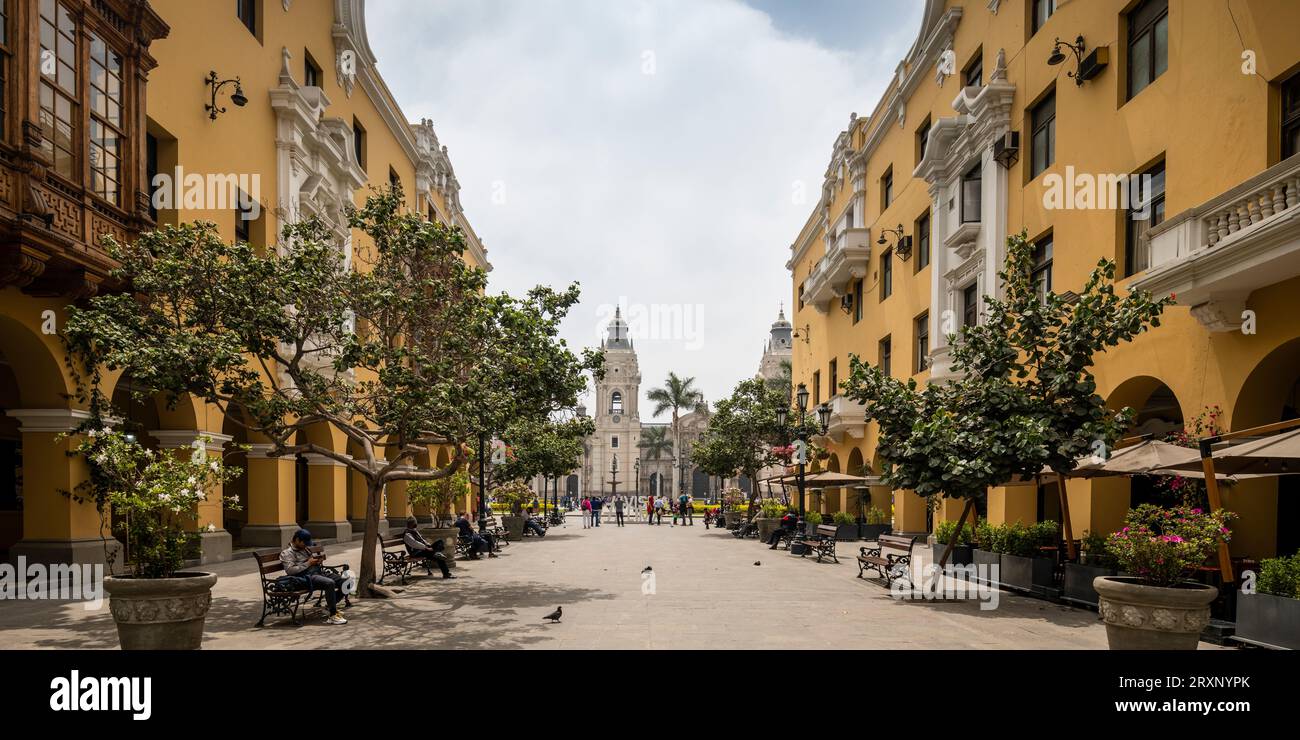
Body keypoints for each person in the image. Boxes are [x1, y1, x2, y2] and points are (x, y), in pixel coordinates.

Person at [280, 528, 348, 625]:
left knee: (347, 583)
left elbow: (311, 561)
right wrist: (308, 563)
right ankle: (332, 616)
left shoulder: (305, 549)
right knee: (329, 583)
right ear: (297, 540)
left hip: (317, 573)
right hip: (305, 578)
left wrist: (316, 562)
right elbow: (290, 571)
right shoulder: (287, 553)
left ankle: (330, 607)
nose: (306, 546)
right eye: (304, 543)